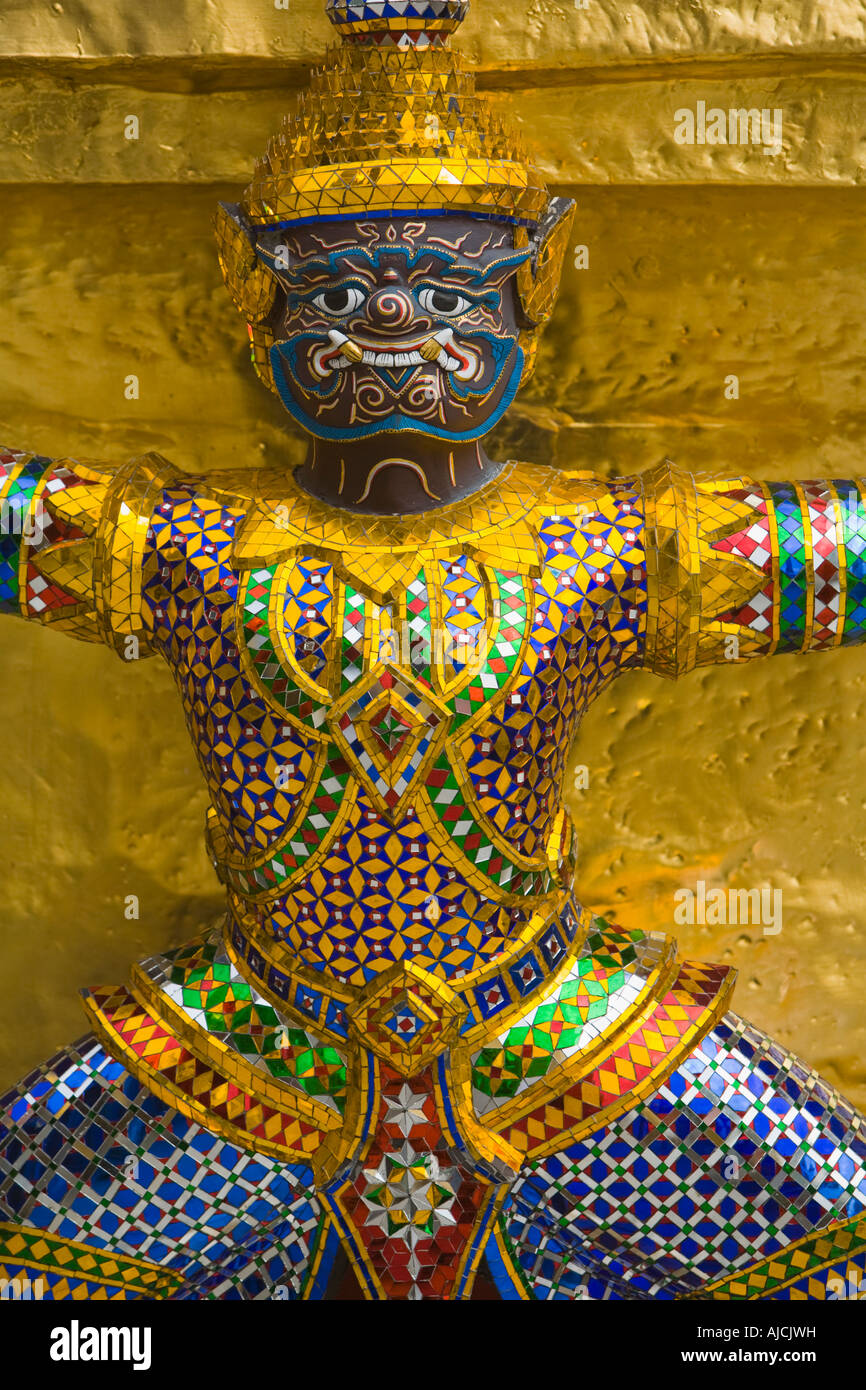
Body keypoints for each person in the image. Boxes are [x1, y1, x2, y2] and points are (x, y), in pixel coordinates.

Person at [0, 0, 864, 1301]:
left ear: (532, 289)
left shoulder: (600, 545)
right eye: (338, 291)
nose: (391, 324)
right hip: (249, 1039)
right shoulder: (187, 543)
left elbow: (809, 552)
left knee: (818, 1250)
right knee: (42, 1275)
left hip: (556, 1034)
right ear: (253, 296)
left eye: (444, 289)